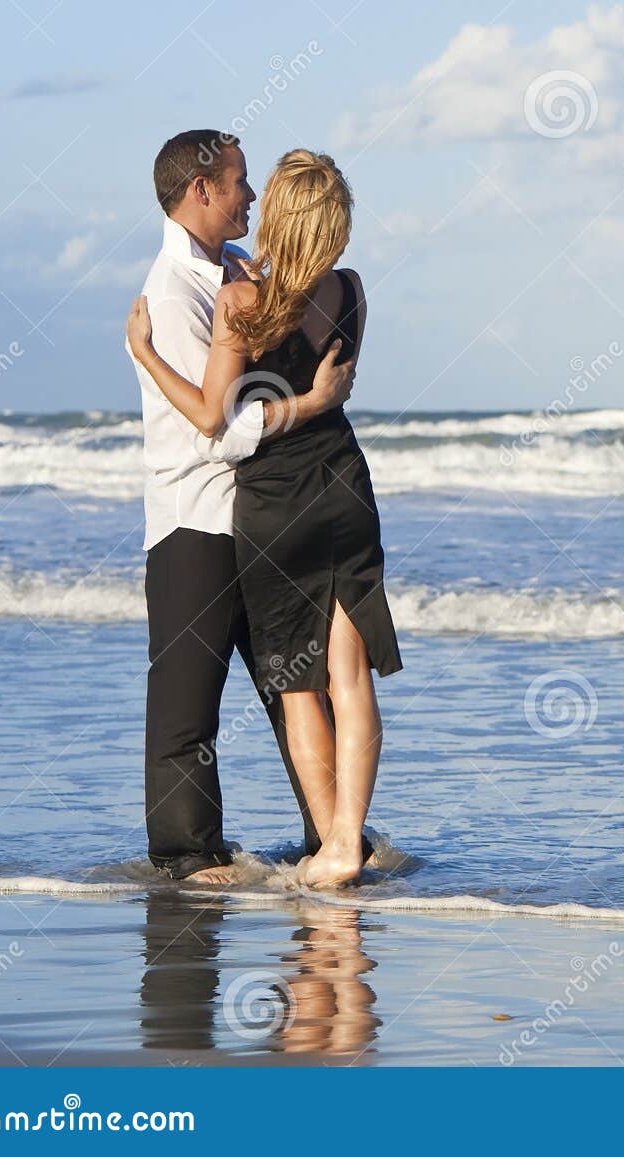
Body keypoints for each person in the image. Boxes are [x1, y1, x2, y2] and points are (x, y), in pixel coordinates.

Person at [128, 148, 401, 889]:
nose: (247, 194)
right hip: (328, 489)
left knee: (297, 686)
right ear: (202, 188)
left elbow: (215, 420)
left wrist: (146, 357)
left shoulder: (239, 295)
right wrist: (315, 402)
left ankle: (330, 842)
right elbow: (223, 431)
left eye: (258, 187)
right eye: (238, 180)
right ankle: (338, 841)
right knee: (339, 678)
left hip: (268, 508)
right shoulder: (348, 289)